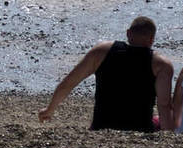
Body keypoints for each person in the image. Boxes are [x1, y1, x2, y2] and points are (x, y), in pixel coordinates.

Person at [38, 16, 173, 131]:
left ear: (128, 33)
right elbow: (164, 104)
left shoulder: (101, 51)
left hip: (101, 126)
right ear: (152, 39)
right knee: (159, 119)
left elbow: (68, 83)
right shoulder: (161, 64)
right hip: (141, 128)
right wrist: (168, 135)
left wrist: (49, 110)